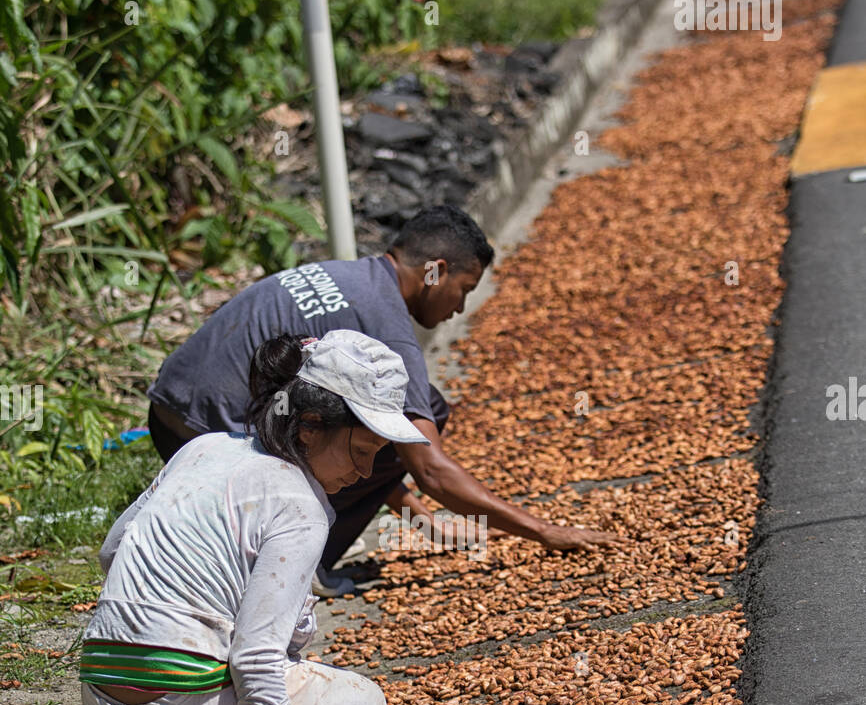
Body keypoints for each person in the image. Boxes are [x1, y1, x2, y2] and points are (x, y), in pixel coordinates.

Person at [146, 205, 619, 596]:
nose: (459, 309)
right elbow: (427, 466)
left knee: (398, 413)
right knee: (420, 414)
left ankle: (271, 549)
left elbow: (371, 453)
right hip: (226, 445)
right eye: (464, 291)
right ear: (437, 271)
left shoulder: (349, 275)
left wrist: (427, 521)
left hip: (170, 419)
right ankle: (294, 565)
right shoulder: (388, 325)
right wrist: (545, 531)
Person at [79, 331, 420, 705]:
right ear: (308, 427)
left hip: (102, 703)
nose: (365, 471)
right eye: (362, 450)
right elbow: (256, 658)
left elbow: (113, 551)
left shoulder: (203, 448)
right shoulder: (301, 505)